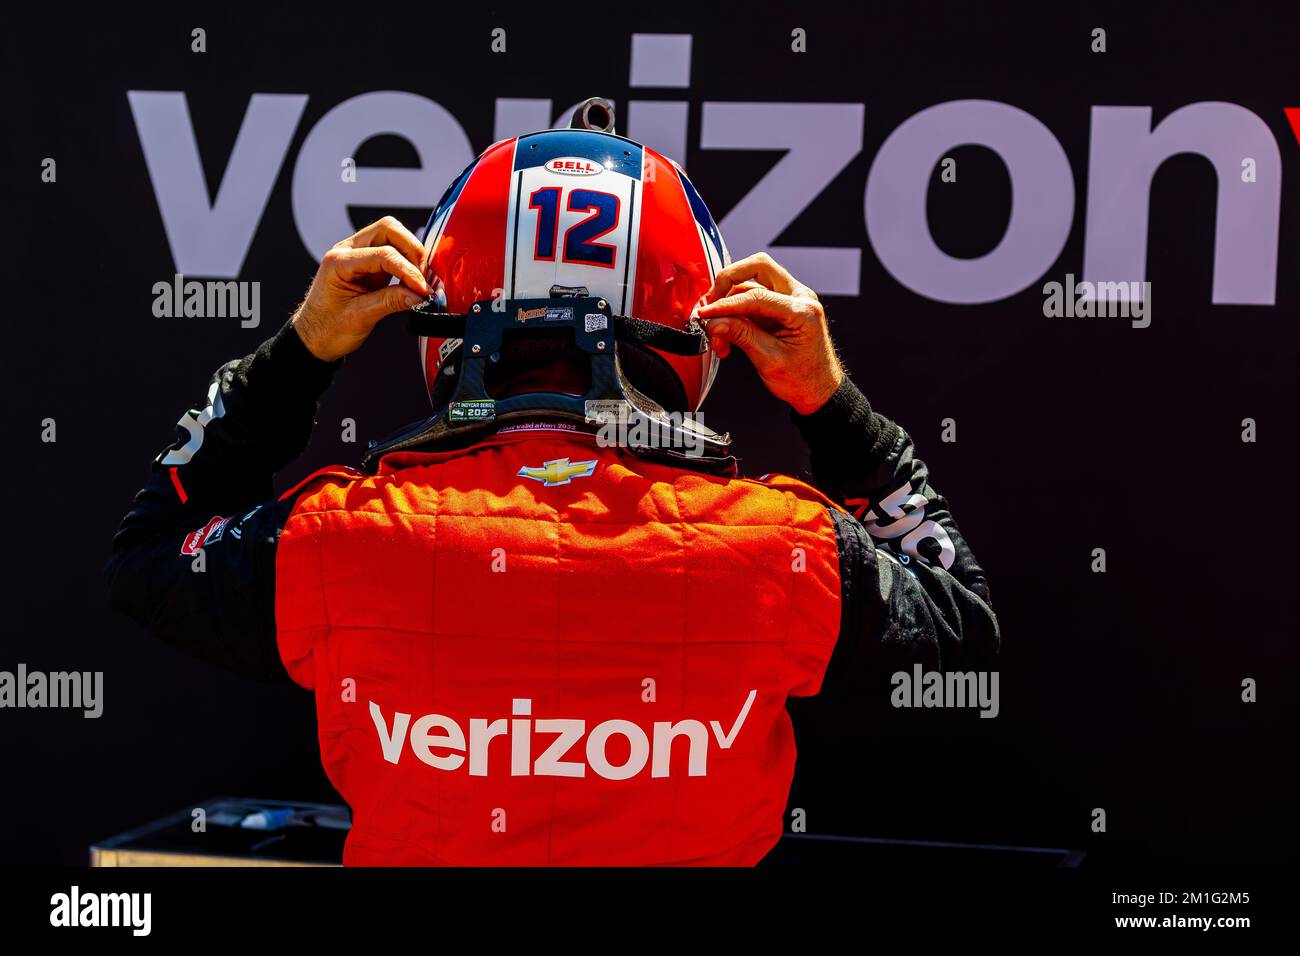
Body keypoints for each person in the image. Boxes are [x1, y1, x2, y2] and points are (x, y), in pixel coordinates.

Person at [107, 124, 998, 866]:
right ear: (696, 327)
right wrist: (830, 402)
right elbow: (960, 619)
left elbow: (152, 553)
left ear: (449, 314)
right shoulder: (785, 547)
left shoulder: (338, 536)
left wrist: (300, 351)